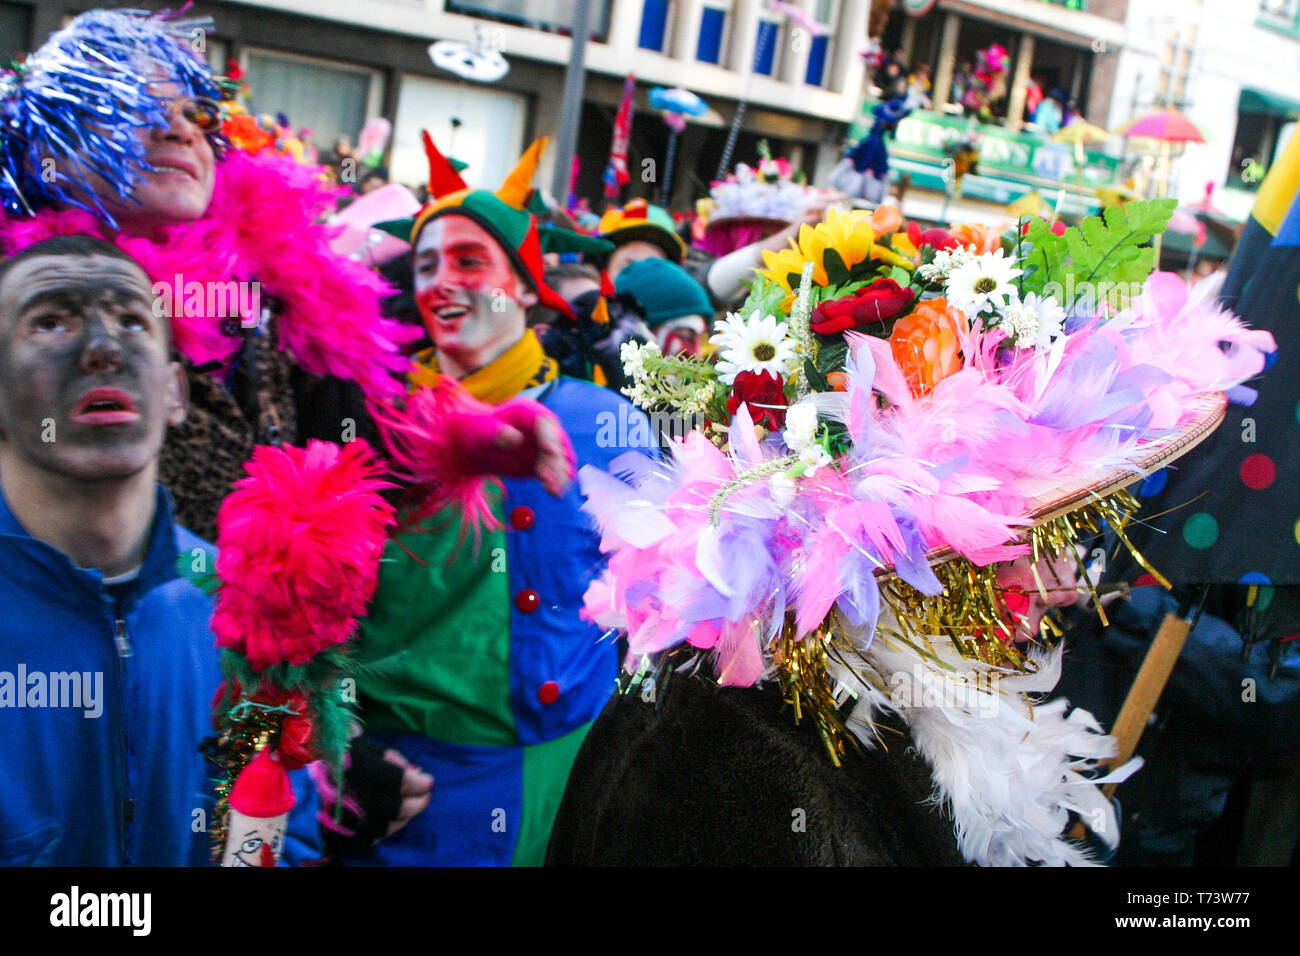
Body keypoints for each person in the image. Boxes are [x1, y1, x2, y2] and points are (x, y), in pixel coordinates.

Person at [330, 136, 658, 866]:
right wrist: (336, 745)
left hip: (576, 789)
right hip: (417, 810)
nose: (443, 282)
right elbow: (296, 617)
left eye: (469, 260)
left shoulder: (608, 423)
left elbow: (659, 600)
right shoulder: (372, 425)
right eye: (425, 266)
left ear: (525, 284)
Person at [0, 9, 414, 541]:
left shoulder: (264, 289)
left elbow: (367, 467)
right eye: (132, 105)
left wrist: (460, 448)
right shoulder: (13, 300)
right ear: (40, 143)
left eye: (197, 115)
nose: (178, 130)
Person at [0, 236, 315, 865]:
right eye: (51, 321)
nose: (103, 349)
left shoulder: (244, 609)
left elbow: (269, 835)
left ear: (175, 392)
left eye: (132, 321)